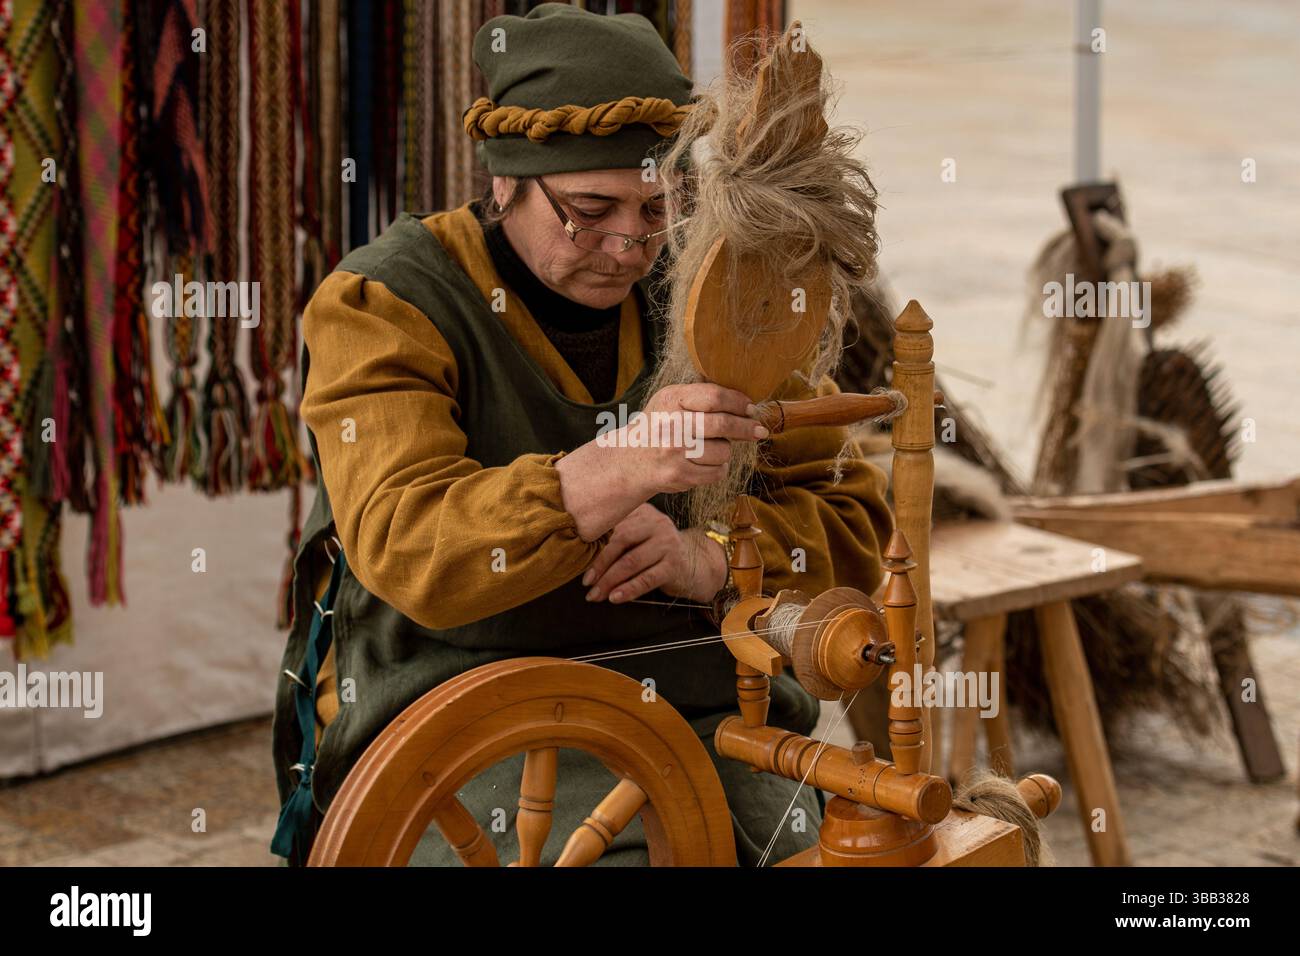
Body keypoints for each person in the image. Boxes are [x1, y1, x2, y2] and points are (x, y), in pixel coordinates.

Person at [271, 2, 893, 867]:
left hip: (696, 705)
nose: (627, 243)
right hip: (468, 709)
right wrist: (618, 465)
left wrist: (705, 559)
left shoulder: (705, 293)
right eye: (589, 208)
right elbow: (409, 545)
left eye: (656, 208)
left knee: (837, 854)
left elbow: (856, 519)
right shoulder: (389, 305)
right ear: (504, 183)